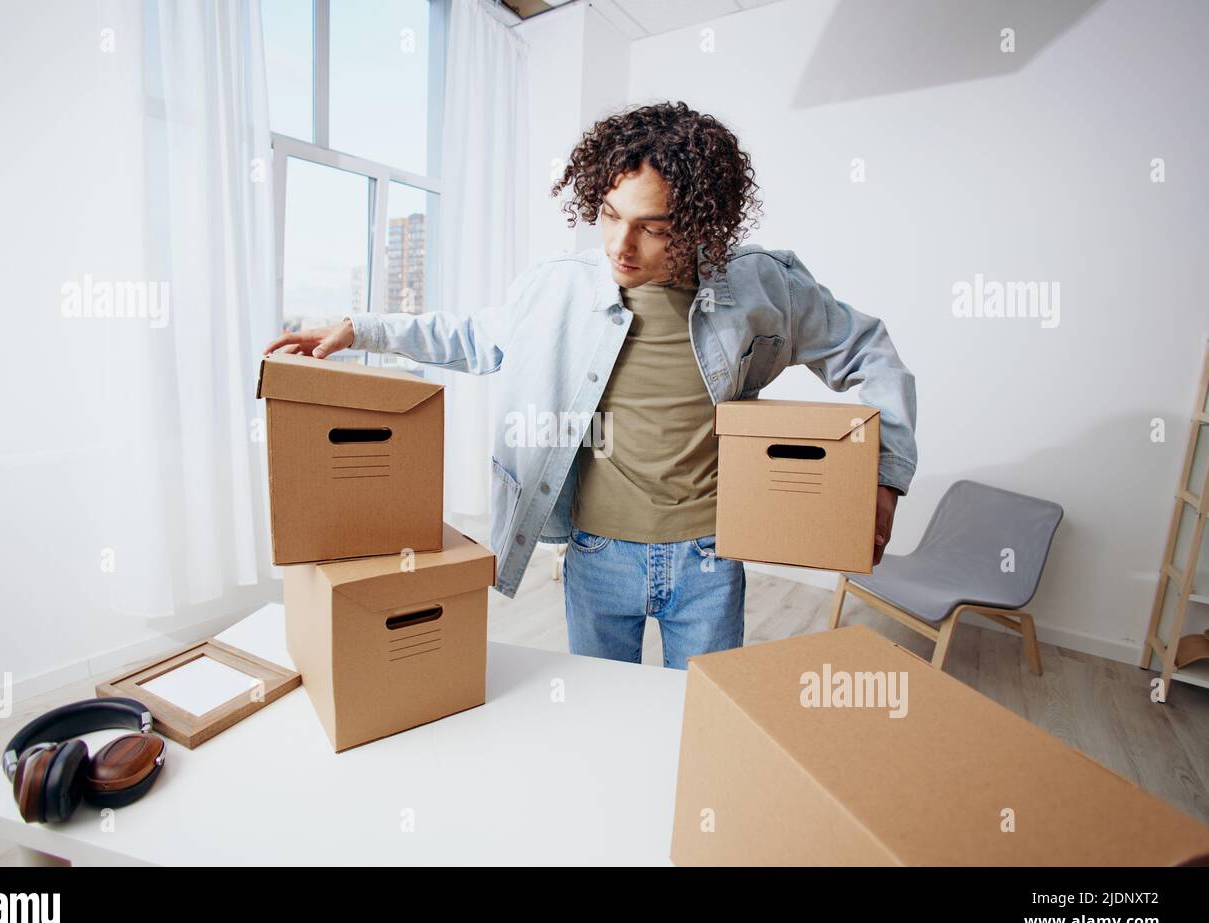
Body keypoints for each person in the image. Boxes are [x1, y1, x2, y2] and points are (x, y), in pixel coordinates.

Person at [264, 101, 918, 670]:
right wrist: (359, 328)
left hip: (711, 558)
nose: (620, 245)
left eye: (653, 228)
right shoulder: (561, 287)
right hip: (597, 555)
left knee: (703, 720)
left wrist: (884, 475)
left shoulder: (755, 286)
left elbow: (869, 349)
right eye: (608, 215)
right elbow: (471, 338)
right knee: (603, 714)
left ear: (700, 224)